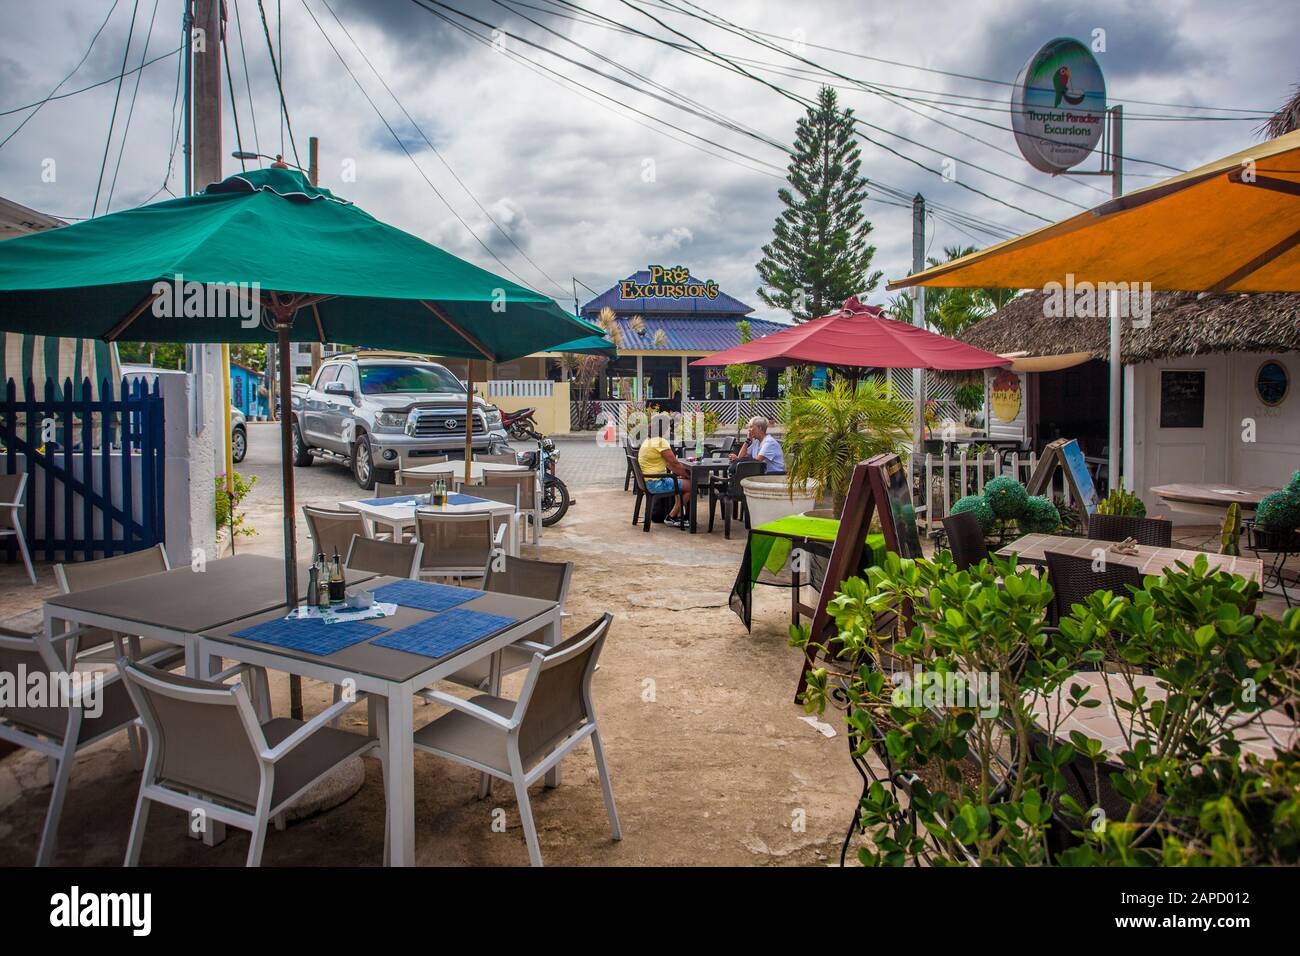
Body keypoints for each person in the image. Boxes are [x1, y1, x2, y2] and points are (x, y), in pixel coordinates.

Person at [638, 419, 692, 528]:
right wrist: (688, 476)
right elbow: (674, 463)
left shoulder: (648, 440)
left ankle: (679, 516)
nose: (671, 429)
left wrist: (682, 475)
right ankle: (672, 516)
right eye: (669, 427)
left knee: (682, 482)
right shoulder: (660, 441)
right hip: (656, 483)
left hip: (647, 482)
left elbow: (669, 464)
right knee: (691, 485)